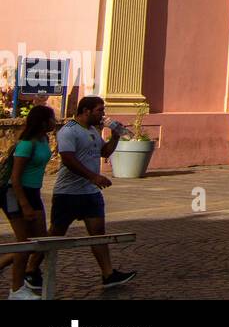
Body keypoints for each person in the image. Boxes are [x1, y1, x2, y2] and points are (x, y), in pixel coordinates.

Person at [46, 97, 137, 289]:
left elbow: (103, 152)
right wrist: (92, 177)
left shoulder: (93, 131)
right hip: (68, 193)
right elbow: (68, 159)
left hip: (90, 193)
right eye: (99, 110)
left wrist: (115, 137)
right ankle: (31, 269)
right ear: (86, 111)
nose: (102, 115)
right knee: (55, 234)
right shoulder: (69, 131)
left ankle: (108, 273)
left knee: (98, 234)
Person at [1, 104, 57, 299]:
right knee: (24, 242)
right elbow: (15, 178)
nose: (54, 121)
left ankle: (3, 264)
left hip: (34, 192)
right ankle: (16, 290)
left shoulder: (44, 139)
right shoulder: (26, 144)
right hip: (16, 193)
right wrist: (24, 205)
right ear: (42, 121)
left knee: (40, 240)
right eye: (51, 118)